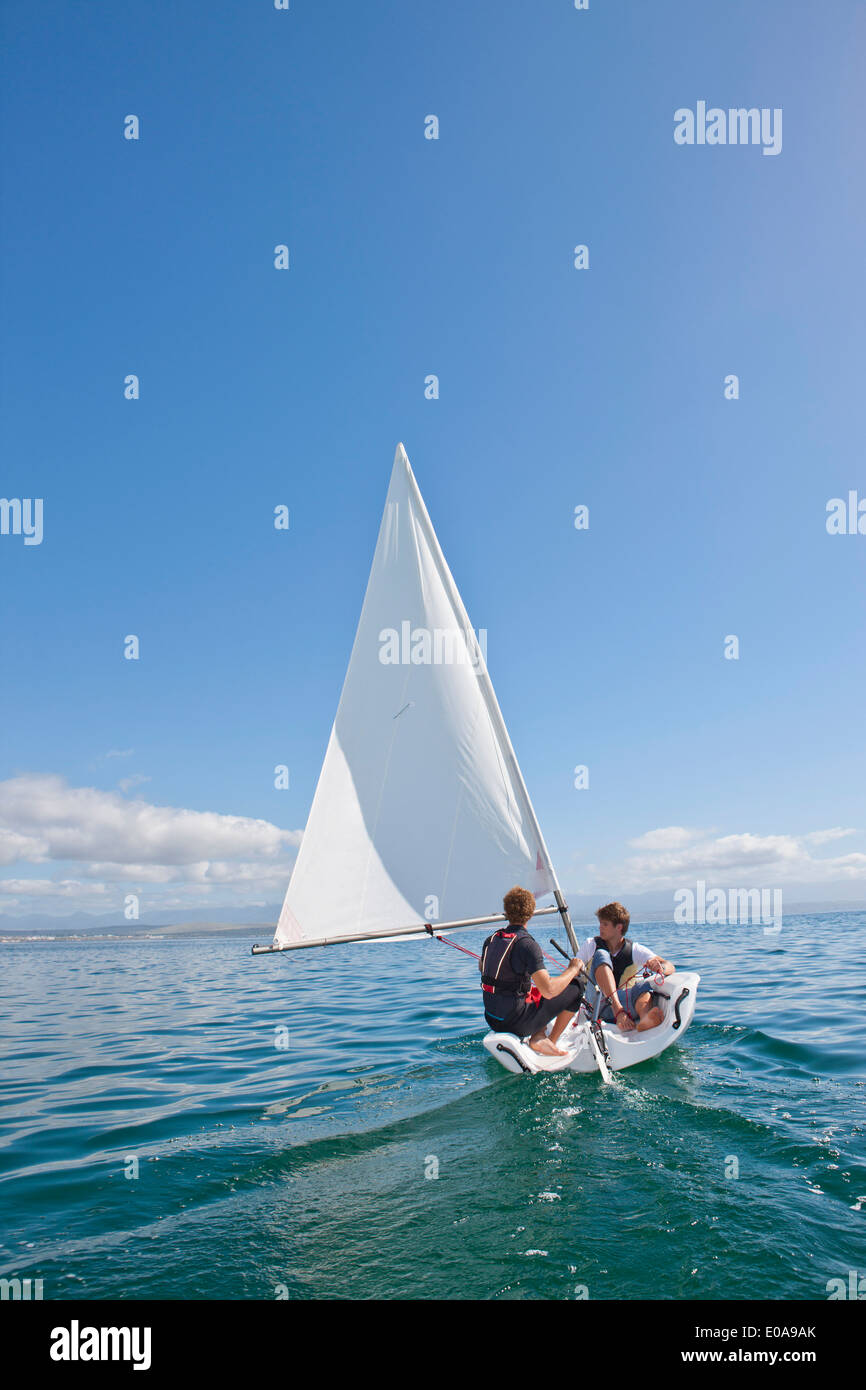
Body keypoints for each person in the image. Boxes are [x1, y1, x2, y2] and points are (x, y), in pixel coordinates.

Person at [480, 886, 585, 1057]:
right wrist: (573, 970)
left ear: (506, 911)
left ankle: (539, 1032)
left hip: (492, 1019)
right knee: (577, 986)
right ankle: (545, 1040)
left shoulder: (491, 940)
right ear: (531, 913)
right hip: (516, 1023)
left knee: (532, 992)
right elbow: (549, 990)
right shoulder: (527, 945)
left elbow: (482, 968)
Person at [579, 901, 674, 1032]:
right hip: (596, 1005)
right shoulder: (591, 945)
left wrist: (659, 968)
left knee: (643, 986)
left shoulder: (634, 950)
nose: (600, 928)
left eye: (605, 924)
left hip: (624, 1005)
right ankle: (618, 1011)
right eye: (600, 923)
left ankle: (645, 1019)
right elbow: (573, 968)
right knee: (601, 954)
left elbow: (669, 966)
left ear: (619, 927)